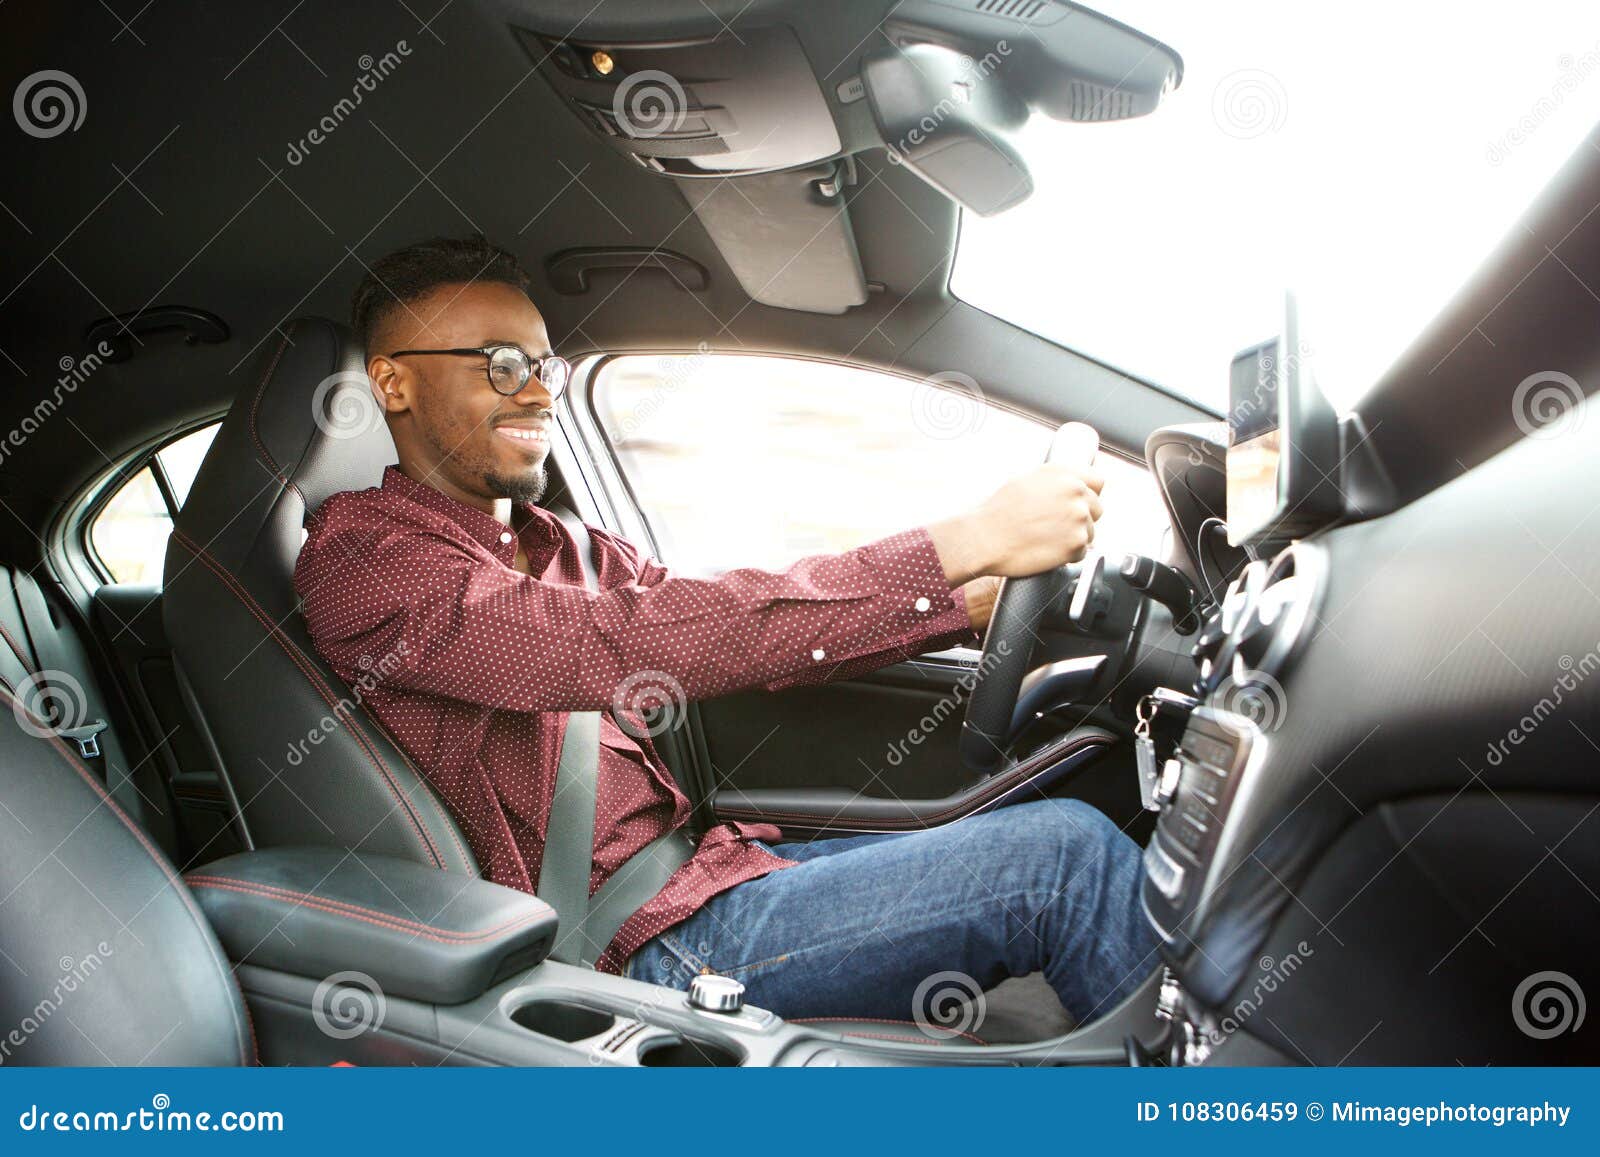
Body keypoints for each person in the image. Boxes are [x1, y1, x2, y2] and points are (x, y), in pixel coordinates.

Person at [294, 234, 1157, 1033]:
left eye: (546, 363)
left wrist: (968, 602)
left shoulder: (557, 540)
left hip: (705, 874)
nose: (537, 388)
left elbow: (713, 619)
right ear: (392, 382)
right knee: (1064, 862)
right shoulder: (364, 560)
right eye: (501, 363)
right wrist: (960, 541)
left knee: (1056, 818)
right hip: (628, 950)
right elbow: (619, 643)